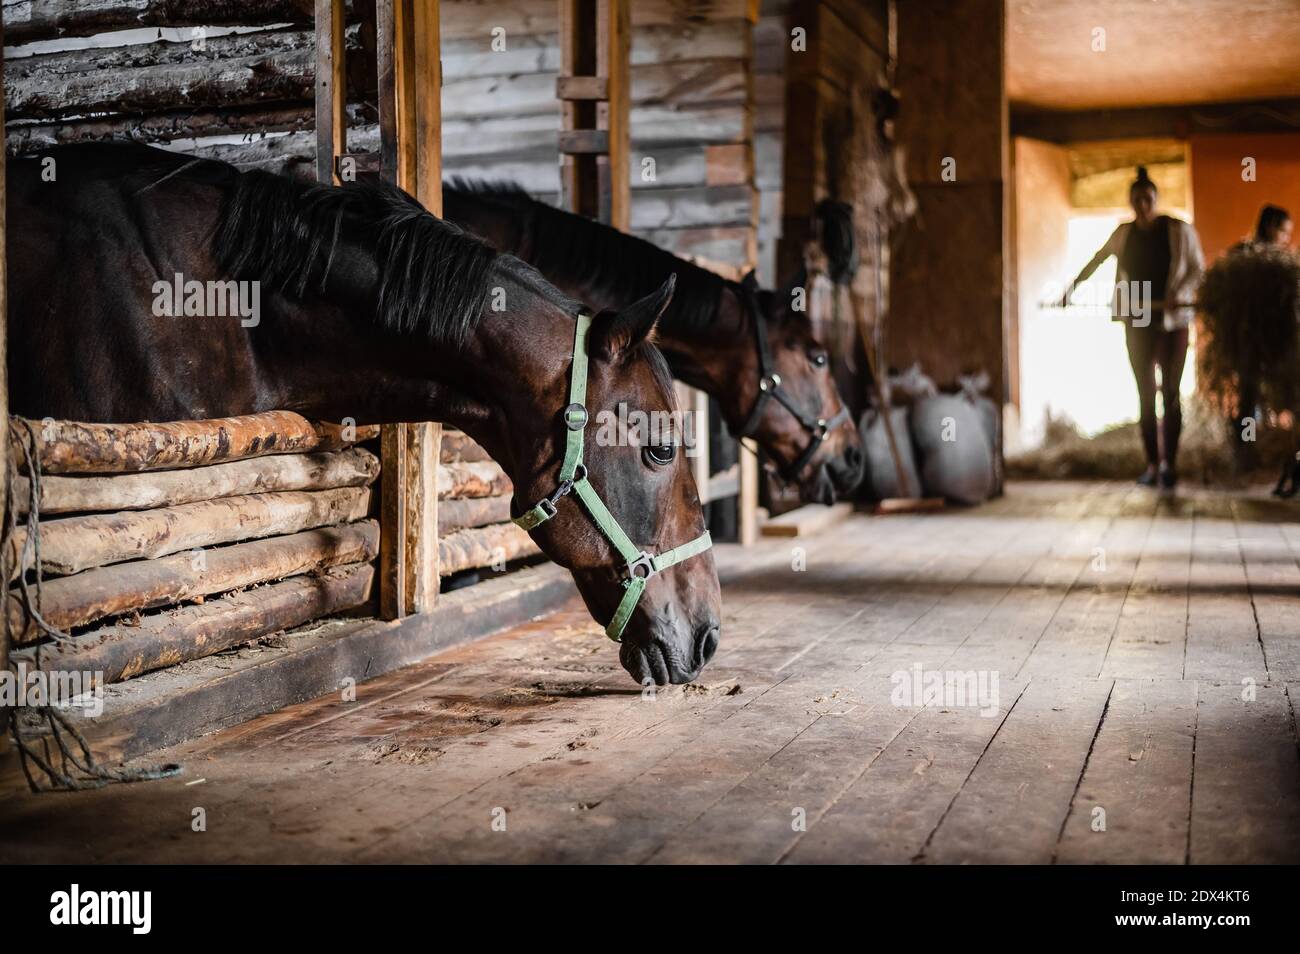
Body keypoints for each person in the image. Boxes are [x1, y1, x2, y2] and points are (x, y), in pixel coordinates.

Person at [1058, 166, 1205, 489]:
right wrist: (1071, 290)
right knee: (1145, 392)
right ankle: (1151, 464)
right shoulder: (1123, 234)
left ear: (1156, 199)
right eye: (1137, 199)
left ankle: (1170, 464)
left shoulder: (1179, 230)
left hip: (1171, 318)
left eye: (1148, 199)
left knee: (1170, 393)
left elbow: (1197, 268)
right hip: (1137, 313)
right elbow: (1097, 260)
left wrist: (1177, 294)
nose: (1142, 205)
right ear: (1131, 201)